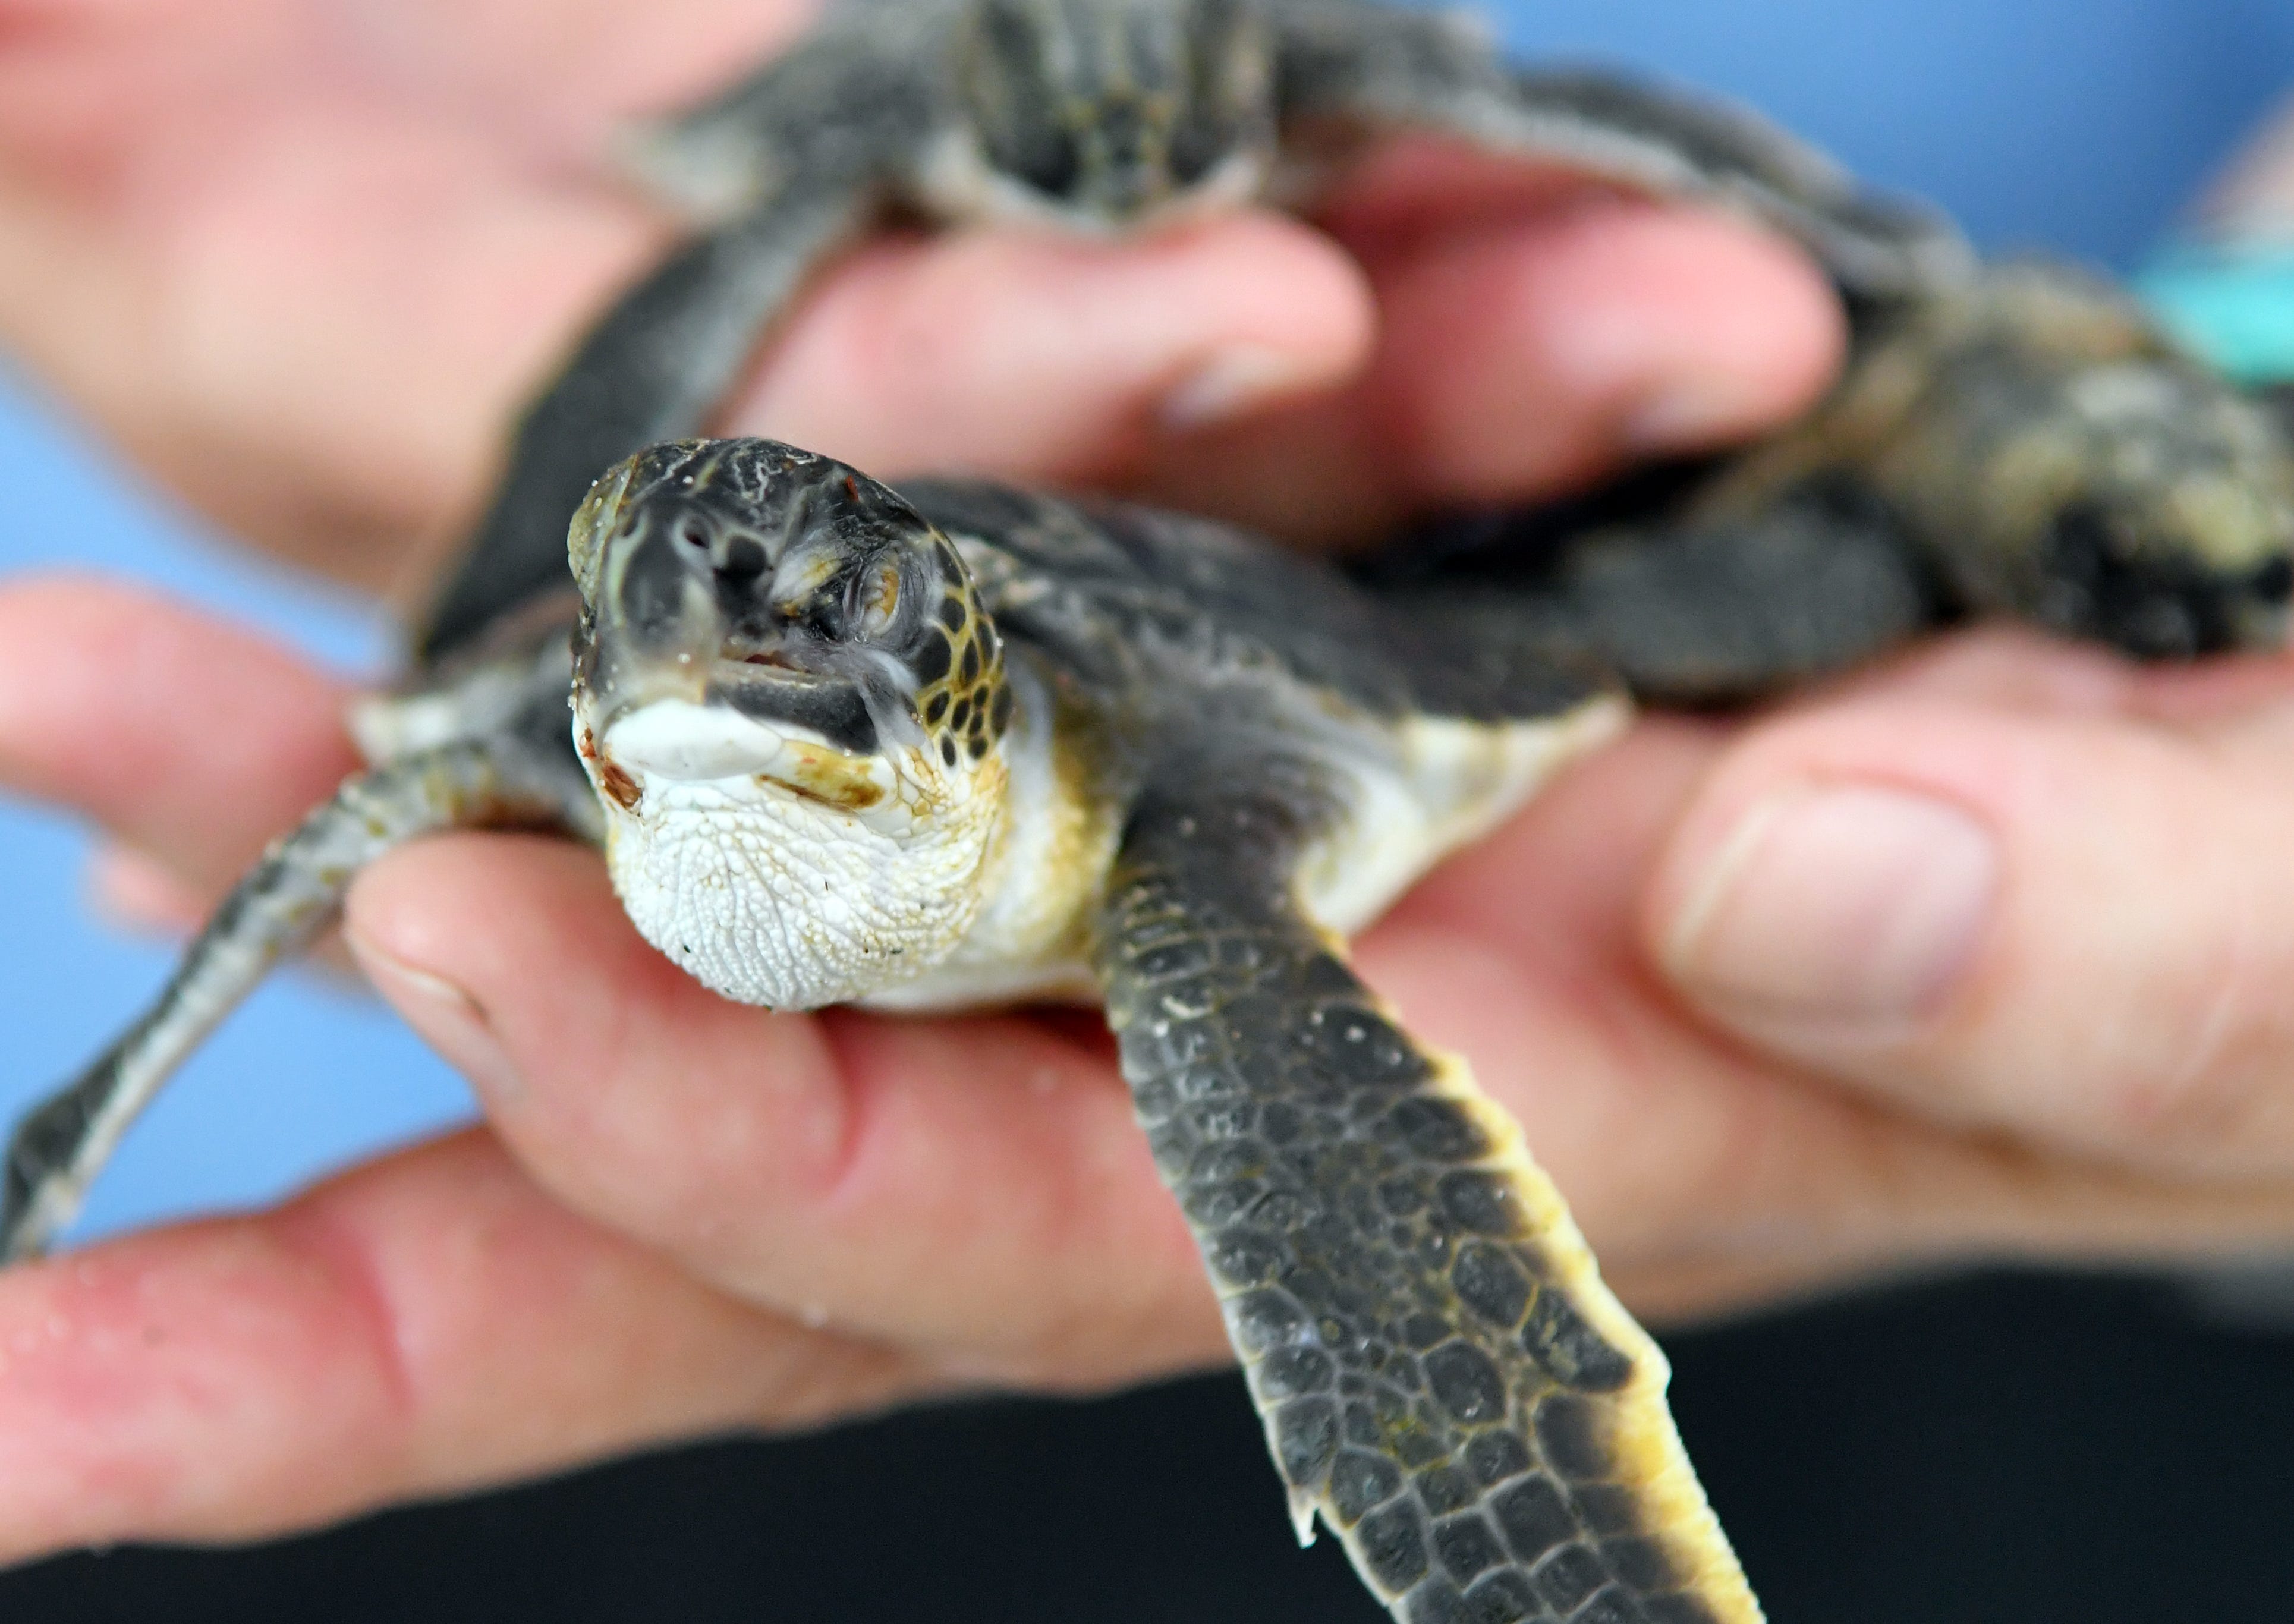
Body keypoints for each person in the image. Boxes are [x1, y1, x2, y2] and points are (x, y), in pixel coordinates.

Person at [5, 0, 2294, 1568]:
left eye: (817, 610)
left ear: (942, 663)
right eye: (646, 605)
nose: (702, 645)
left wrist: (2223, 346)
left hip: (1954, 1331)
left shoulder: (1181, 834)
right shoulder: (557, 724)